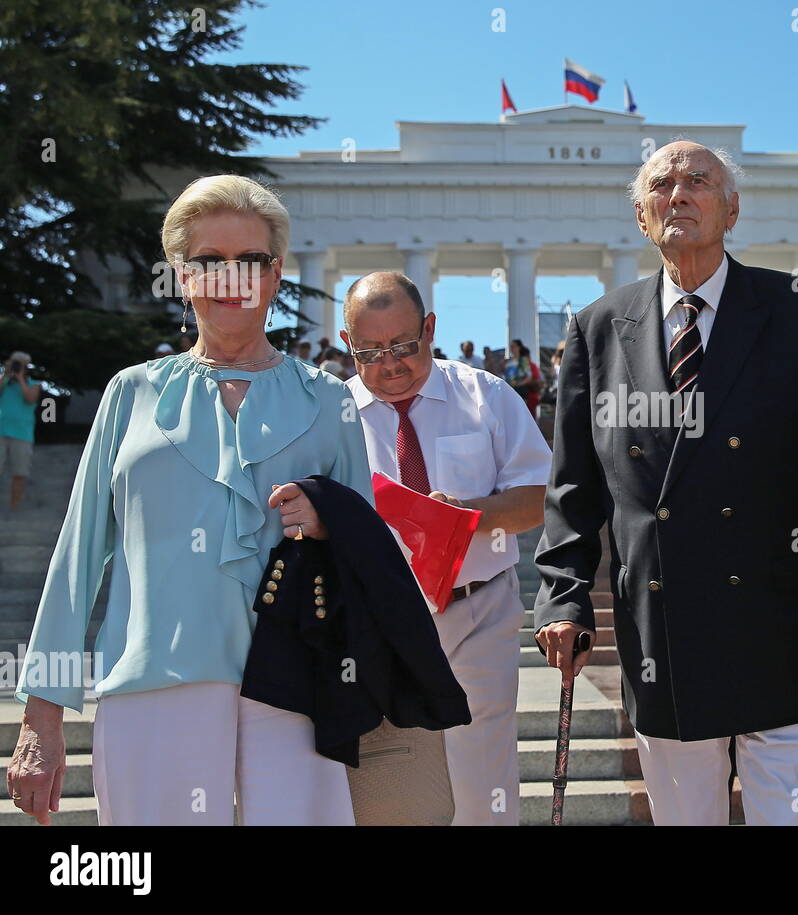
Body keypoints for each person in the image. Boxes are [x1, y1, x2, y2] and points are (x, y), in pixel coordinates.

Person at [533, 140, 798, 826]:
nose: (679, 194)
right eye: (662, 184)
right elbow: (573, 491)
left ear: (733, 208)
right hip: (665, 639)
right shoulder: (597, 331)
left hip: (786, 628)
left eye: (699, 181)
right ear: (641, 215)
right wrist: (563, 598)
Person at [6, 174, 372, 825]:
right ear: (180, 273)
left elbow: (369, 560)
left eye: (250, 261)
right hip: (151, 683)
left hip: (296, 687)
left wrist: (332, 519)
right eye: (209, 261)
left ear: (277, 271)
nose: (231, 279)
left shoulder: (332, 400)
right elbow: (78, 553)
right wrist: (41, 715)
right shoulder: (131, 394)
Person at [341, 271, 552, 825]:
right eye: (371, 351)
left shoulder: (485, 396)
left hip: (476, 608)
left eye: (405, 346)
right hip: (377, 622)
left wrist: (462, 516)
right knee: (390, 783)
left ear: (430, 328)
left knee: (482, 777)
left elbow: (537, 499)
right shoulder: (330, 416)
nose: (390, 364)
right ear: (348, 346)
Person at [0, 351, 42, 510]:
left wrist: (20, 378)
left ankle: (14, 506)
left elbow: (30, 398)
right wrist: (6, 374)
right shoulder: (4, 383)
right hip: (1, 432)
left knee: (20, 472)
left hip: (22, 435)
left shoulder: (33, 384)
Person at [503, 339, 541, 417]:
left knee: (522, 414)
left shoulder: (523, 360)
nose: (512, 348)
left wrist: (519, 384)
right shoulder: (508, 362)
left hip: (520, 392)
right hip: (509, 391)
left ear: (519, 347)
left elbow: (529, 377)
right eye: (511, 346)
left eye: (513, 346)